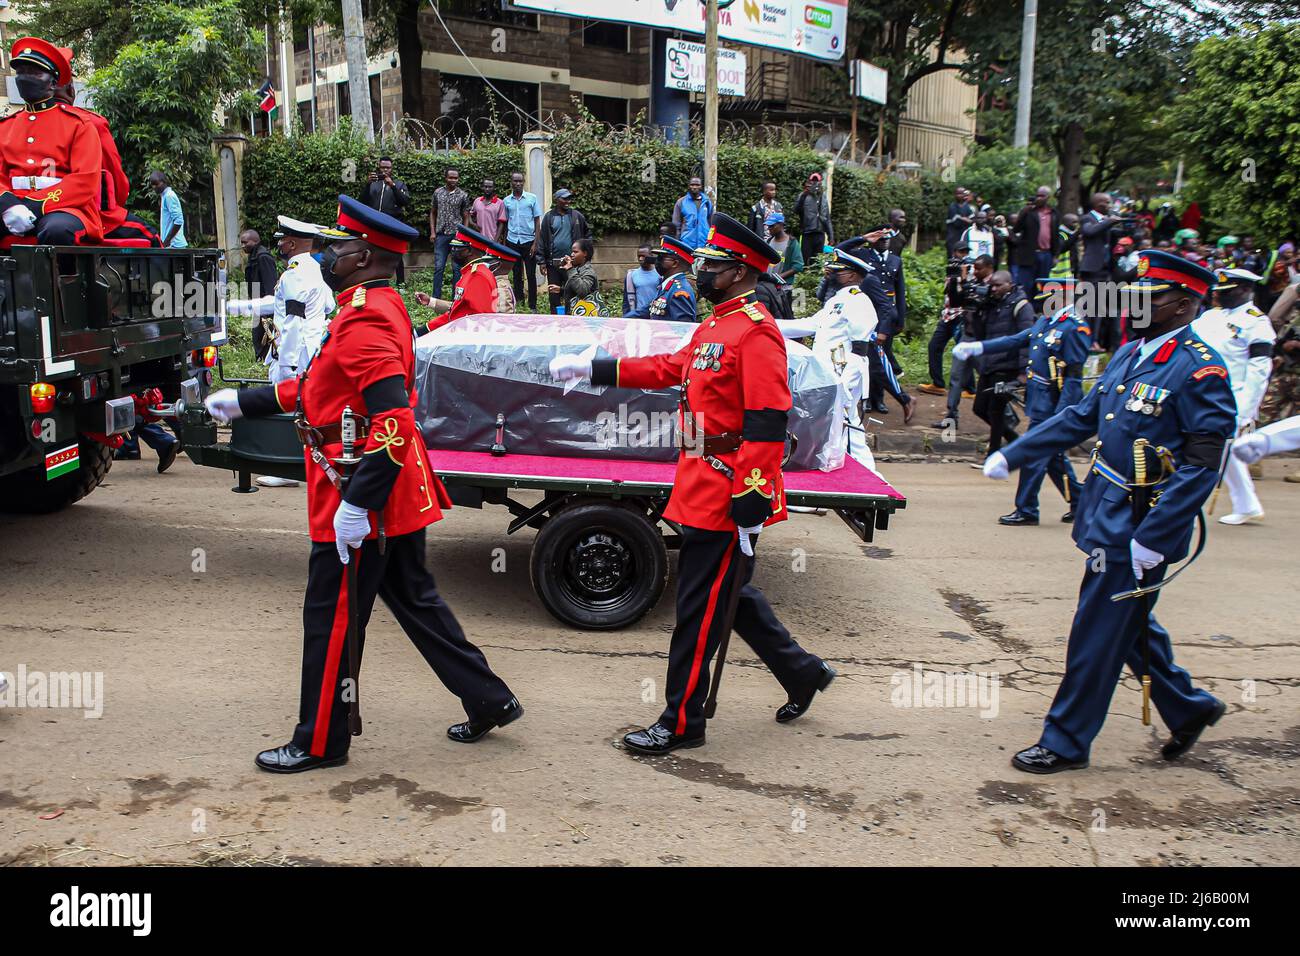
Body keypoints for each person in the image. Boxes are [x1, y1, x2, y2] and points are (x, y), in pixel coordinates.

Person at [203, 196, 522, 774]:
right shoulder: (371, 305)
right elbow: (322, 389)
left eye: (338, 247)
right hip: (391, 487)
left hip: (363, 486)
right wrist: (244, 401)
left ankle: (320, 740)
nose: (328, 255)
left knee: (332, 617)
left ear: (363, 257)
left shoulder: (369, 314)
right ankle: (489, 697)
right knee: (416, 601)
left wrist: (356, 505)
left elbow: (391, 420)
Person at [548, 213, 834, 755]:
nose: (701, 271)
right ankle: (802, 672)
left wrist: (750, 498)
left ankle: (682, 721)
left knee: (698, 608)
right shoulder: (718, 322)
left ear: (738, 272)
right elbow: (669, 367)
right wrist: (594, 368)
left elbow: (769, 421)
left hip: (729, 489)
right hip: (701, 477)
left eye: (711, 265)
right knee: (730, 593)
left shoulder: (756, 330)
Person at [983, 249, 1235, 773]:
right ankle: (1189, 707)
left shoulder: (1201, 369)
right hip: (1109, 510)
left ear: (1184, 306)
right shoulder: (1132, 353)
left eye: (1151, 298)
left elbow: (1202, 464)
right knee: (1128, 623)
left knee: (1096, 631)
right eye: (1135, 296)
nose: (1136, 306)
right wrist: (1015, 452)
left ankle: (1067, 741)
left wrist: (1156, 535)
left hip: (1140, 523)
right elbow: (1081, 417)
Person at [956, 277, 1090, 524]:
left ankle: (1027, 509)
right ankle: (1080, 502)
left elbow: (1073, 376)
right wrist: (978, 348)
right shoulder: (1047, 322)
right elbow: (1016, 340)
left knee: (1035, 454)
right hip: (1040, 398)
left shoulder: (1074, 327)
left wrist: (1063, 414)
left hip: (1054, 402)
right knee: (1053, 456)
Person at [775, 248, 878, 469]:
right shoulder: (837, 301)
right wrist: (767, 323)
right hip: (828, 376)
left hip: (843, 375)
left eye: (836, 271)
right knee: (835, 429)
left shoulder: (859, 301)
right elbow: (811, 325)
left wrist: (846, 384)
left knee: (847, 428)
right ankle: (850, 479)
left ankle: (869, 483)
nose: (829, 274)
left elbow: (859, 349)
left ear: (851, 275)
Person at [0, 38, 103, 246]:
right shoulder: (5, 127)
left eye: (35, 73)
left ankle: (67, 279)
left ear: (53, 83)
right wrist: (7, 204)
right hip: (12, 206)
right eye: (21, 72)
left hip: (65, 207)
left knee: (57, 230)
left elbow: (85, 181)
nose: (25, 78)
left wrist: (34, 205)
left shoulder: (79, 124)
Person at [1193, 268, 1274, 524]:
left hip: (1230, 397)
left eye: (1227, 292)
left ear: (1245, 290)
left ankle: (1185, 510)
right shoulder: (1209, 317)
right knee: (1224, 455)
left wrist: (1245, 411)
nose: (1220, 297)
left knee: (1203, 453)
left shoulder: (1256, 322)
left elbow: (1259, 371)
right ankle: (1248, 505)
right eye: (1219, 291)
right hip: (1198, 392)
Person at [51, 63, 160, 246]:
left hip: (24, 216)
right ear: (71, 90)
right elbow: (116, 181)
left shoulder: (16, 126)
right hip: (90, 217)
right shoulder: (90, 122)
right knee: (152, 239)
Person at [227, 215, 335, 385]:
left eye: (282, 239)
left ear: (292, 245)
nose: (278, 244)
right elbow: (329, 305)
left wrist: (286, 366)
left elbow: (294, 320)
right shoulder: (313, 267)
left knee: (289, 406)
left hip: (296, 357)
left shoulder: (294, 274)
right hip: (311, 351)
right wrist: (238, 307)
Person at [970, 270, 1033, 454]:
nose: (994, 289)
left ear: (1010, 285)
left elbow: (1026, 339)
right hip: (989, 364)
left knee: (996, 410)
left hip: (1008, 365)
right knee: (979, 408)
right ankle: (1015, 441)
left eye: (998, 285)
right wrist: (978, 311)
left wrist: (1023, 372)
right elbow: (980, 334)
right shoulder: (992, 305)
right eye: (992, 286)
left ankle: (995, 454)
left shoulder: (1021, 306)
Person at [415, 225, 518, 331]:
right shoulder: (469, 273)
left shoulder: (478, 276)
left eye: (457, 248)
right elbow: (459, 309)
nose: (453, 251)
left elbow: (481, 319)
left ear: (469, 251)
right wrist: (430, 303)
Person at [931, 253, 993, 427]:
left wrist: (966, 284)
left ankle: (1007, 418)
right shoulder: (973, 284)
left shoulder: (995, 286)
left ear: (989, 268)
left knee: (989, 379)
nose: (976, 271)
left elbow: (982, 304)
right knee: (956, 376)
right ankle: (951, 417)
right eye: (974, 268)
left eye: (979, 268)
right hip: (967, 337)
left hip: (983, 342)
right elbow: (957, 302)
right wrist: (956, 280)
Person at [537, 188, 591, 314]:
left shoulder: (577, 216)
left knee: (571, 292)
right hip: (553, 264)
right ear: (557, 200)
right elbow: (542, 239)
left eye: (569, 198)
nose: (568, 201)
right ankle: (555, 319)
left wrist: (584, 256)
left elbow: (588, 235)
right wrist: (542, 261)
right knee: (554, 294)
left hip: (572, 264)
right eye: (564, 198)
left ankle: (570, 317)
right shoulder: (549, 217)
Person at [1080, 193, 1121, 349]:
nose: (1109, 205)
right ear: (1098, 203)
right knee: (1089, 306)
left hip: (1105, 269)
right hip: (1091, 269)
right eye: (1107, 202)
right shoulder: (1087, 218)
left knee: (1099, 308)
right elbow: (1090, 232)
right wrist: (1109, 222)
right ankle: (1085, 339)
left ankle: (1094, 340)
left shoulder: (1106, 220)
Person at [498, 171, 543, 312]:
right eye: (515, 181)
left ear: (523, 182)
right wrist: (504, 244)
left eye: (520, 181)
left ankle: (533, 305)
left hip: (528, 241)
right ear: (511, 182)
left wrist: (536, 243)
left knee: (530, 275)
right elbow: (505, 223)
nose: (518, 184)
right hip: (512, 242)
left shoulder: (532, 198)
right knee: (516, 274)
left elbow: (537, 221)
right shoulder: (506, 201)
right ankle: (519, 300)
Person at [625, 235, 696, 323]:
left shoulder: (679, 292)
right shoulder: (666, 286)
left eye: (662, 258)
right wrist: (620, 320)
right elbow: (647, 311)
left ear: (674, 263)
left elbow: (682, 329)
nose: (657, 261)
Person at [1009, 186, 1060, 299]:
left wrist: (1055, 255)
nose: (1039, 198)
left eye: (1042, 196)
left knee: (1043, 286)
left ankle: (1039, 310)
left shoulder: (1054, 213)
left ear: (1048, 197)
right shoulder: (1029, 212)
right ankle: (1025, 308)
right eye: (1037, 195)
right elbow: (1016, 230)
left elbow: (1055, 235)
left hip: (1046, 254)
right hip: (1029, 254)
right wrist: (1023, 213)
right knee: (1026, 284)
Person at [428, 168, 470, 299]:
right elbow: (433, 212)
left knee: (457, 268)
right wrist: (433, 232)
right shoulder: (437, 193)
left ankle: (455, 298)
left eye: (456, 178)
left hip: (456, 236)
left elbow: (466, 216)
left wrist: (465, 235)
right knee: (439, 267)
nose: (453, 180)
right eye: (451, 177)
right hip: (441, 235)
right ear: (445, 178)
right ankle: (435, 298)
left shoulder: (463, 195)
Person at [239, 228, 280, 362]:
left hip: (265, 305)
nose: (243, 246)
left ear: (255, 241)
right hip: (258, 304)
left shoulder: (263, 257)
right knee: (257, 335)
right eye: (242, 243)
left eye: (246, 243)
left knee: (263, 335)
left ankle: (265, 360)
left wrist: (267, 308)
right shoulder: (254, 256)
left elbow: (270, 284)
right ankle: (261, 359)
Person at [550, 237, 599, 311]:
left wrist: (570, 269)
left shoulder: (588, 271)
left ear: (585, 253)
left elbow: (582, 291)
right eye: (572, 252)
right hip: (576, 314)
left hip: (585, 317)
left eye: (575, 252)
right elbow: (575, 292)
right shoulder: (577, 269)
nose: (572, 254)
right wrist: (561, 290)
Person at [794, 172, 833, 263]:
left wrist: (831, 236)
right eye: (813, 181)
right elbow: (796, 210)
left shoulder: (823, 197)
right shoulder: (803, 195)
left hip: (820, 234)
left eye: (817, 181)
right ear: (809, 182)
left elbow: (827, 217)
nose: (815, 184)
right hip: (807, 233)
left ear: (820, 182)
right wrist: (804, 195)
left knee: (817, 261)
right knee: (805, 260)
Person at [672, 176, 714, 251]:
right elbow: (676, 225)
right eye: (692, 184)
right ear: (689, 186)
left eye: (697, 185)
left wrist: (711, 241)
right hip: (686, 244)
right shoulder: (681, 202)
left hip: (704, 244)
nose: (694, 187)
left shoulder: (707, 202)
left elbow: (711, 223)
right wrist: (677, 242)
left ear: (701, 186)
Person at [147, 171, 186, 248]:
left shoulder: (169, 196)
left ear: (164, 182)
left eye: (156, 184)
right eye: (152, 185)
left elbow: (178, 221)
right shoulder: (164, 196)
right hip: (171, 245)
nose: (154, 187)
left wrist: (166, 242)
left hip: (174, 245)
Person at [765, 212, 803, 282]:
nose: (769, 228)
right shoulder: (768, 241)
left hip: (784, 287)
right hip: (768, 285)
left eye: (772, 226)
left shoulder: (792, 243)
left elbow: (798, 266)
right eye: (768, 226)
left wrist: (778, 278)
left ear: (781, 225)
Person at [624, 244, 660, 314]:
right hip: (639, 315)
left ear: (651, 256)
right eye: (639, 256)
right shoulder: (631, 275)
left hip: (656, 314)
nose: (640, 259)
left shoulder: (660, 274)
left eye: (643, 256)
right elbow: (626, 300)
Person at [945, 187, 975, 255]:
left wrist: (965, 219)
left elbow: (972, 220)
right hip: (953, 235)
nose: (960, 196)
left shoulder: (967, 207)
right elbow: (956, 221)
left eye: (961, 194)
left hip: (964, 234)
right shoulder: (952, 206)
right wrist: (965, 219)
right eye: (958, 194)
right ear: (955, 195)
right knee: (953, 253)